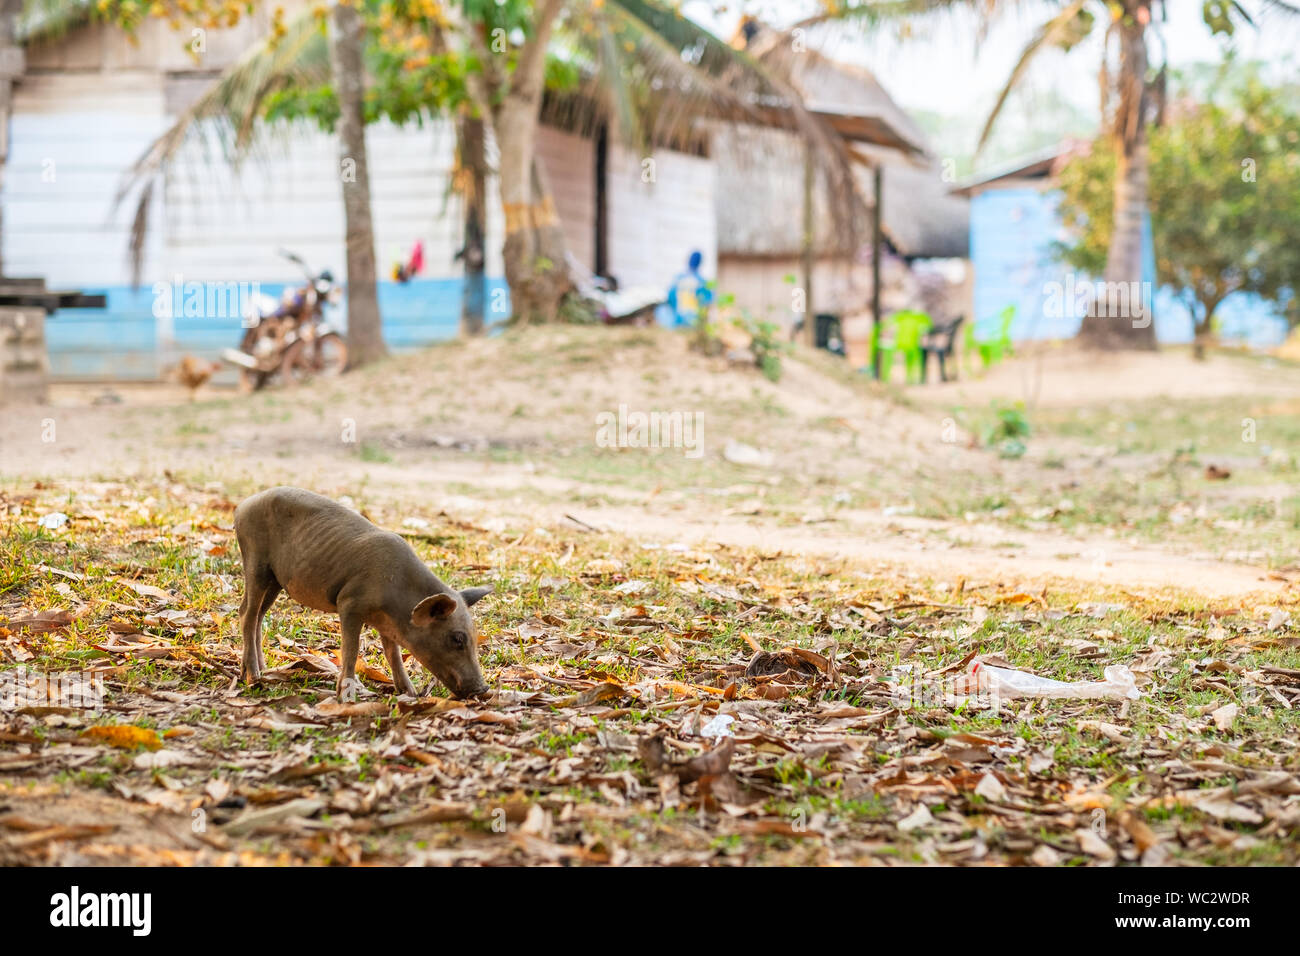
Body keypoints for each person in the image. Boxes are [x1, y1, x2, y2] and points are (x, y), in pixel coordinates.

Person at [664, 250, 713, 328]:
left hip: (677, 319)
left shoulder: (678, 279)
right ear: (700, 263)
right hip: (694, 320)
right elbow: (708, 301)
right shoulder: (702, 281)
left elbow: (670, 297)